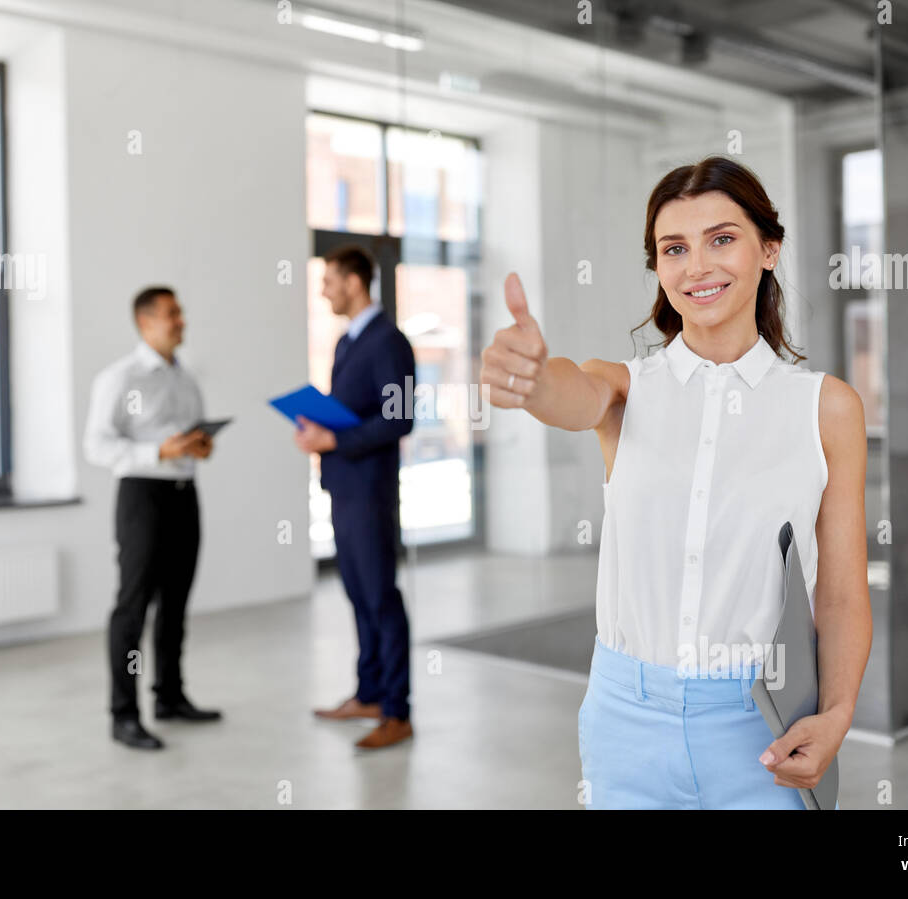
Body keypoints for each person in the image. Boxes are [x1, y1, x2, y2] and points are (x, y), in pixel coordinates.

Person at [480, 156, 872, 808]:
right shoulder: (626, 388)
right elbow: (571, 395)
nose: (697, 266)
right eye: (674, 249)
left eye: (722, 239)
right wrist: (534, 379)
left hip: (762, 726)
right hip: (623, 721)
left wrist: (836, 713)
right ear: (658, 268)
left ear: (769, 248)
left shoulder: (827, 408)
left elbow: (839, 592)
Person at [84, 286, 221, 751]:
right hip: (142, 497)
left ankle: (169, 696)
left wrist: (200, 445)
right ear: (146, 323)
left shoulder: (186, 377)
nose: (181, 321)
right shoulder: (119, 378)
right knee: (133, 606)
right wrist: (157, 451)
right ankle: (123, 715)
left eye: (181, 312)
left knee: (176, 603)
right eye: (172, 314)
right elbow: (97, 445)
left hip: (184, 495)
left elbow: (191, 435)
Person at [296, 244, 417, 750]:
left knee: (379, 597)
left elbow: (400, 416)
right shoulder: (348, 341)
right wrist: (319, 423)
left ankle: (396, 710)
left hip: (369, 492)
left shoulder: (389, 341)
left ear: (354, 281)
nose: (323, 289)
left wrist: (335, 440)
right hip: (344, 489)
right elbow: (359, 409)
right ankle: (369, 694)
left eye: (329, 279)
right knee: (357, 595)